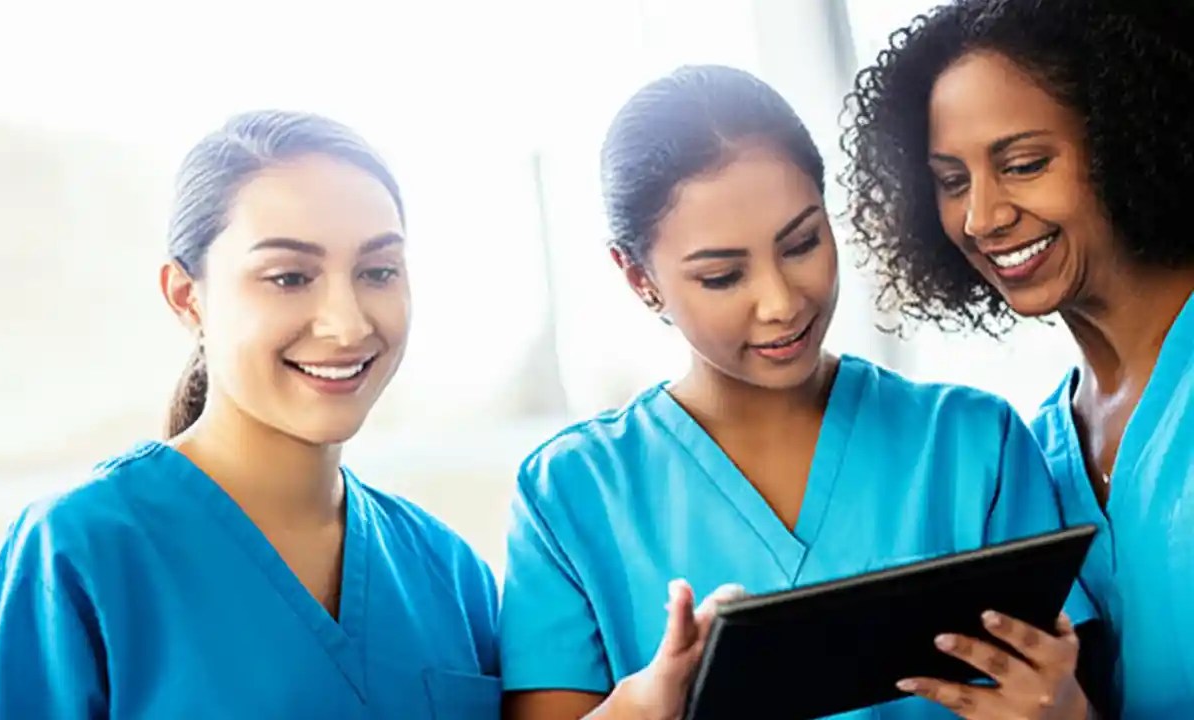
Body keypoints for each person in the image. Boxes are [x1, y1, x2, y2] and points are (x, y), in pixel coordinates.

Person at [499, 64, 1098, 720]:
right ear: (639, 277)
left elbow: (1074, 691)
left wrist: (1069, 714)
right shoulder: (573, 492)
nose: (781, 303)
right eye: (723, 276)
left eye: (803, 243)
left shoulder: (974, 441)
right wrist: (639, 709)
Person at [0, 110, 507, 718]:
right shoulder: (78, 556)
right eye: (290, 277)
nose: (347, 323)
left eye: (378, 272)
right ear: (187, 297)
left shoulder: (450, 575)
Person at [839, 0, 1194, 716]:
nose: (982, 217)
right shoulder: (1030, 459)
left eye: (1024, 163)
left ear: (1128, 141)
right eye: (951, 181)